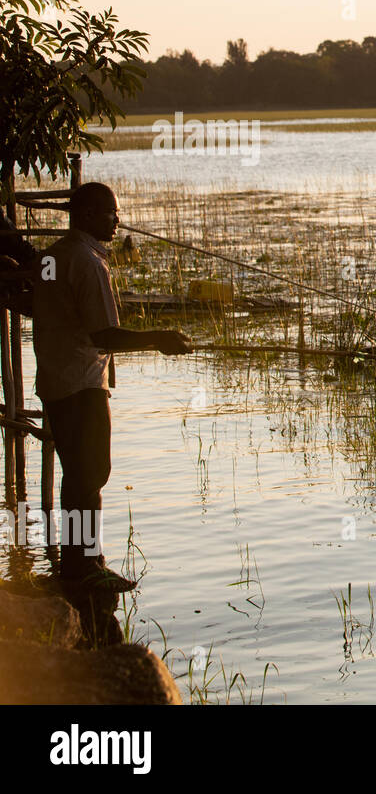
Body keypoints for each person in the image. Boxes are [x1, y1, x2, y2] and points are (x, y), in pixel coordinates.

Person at [32, 182, 192, 592]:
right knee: (91, 475)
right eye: (109, 213)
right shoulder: (87, 261)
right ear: (85, 216)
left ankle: (79, 562)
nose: (117, 220)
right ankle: (85, 565)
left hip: (55, 379)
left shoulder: (53, 257)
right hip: (83, 382)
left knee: (78, 475)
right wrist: (159, 338)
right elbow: (104, 335)